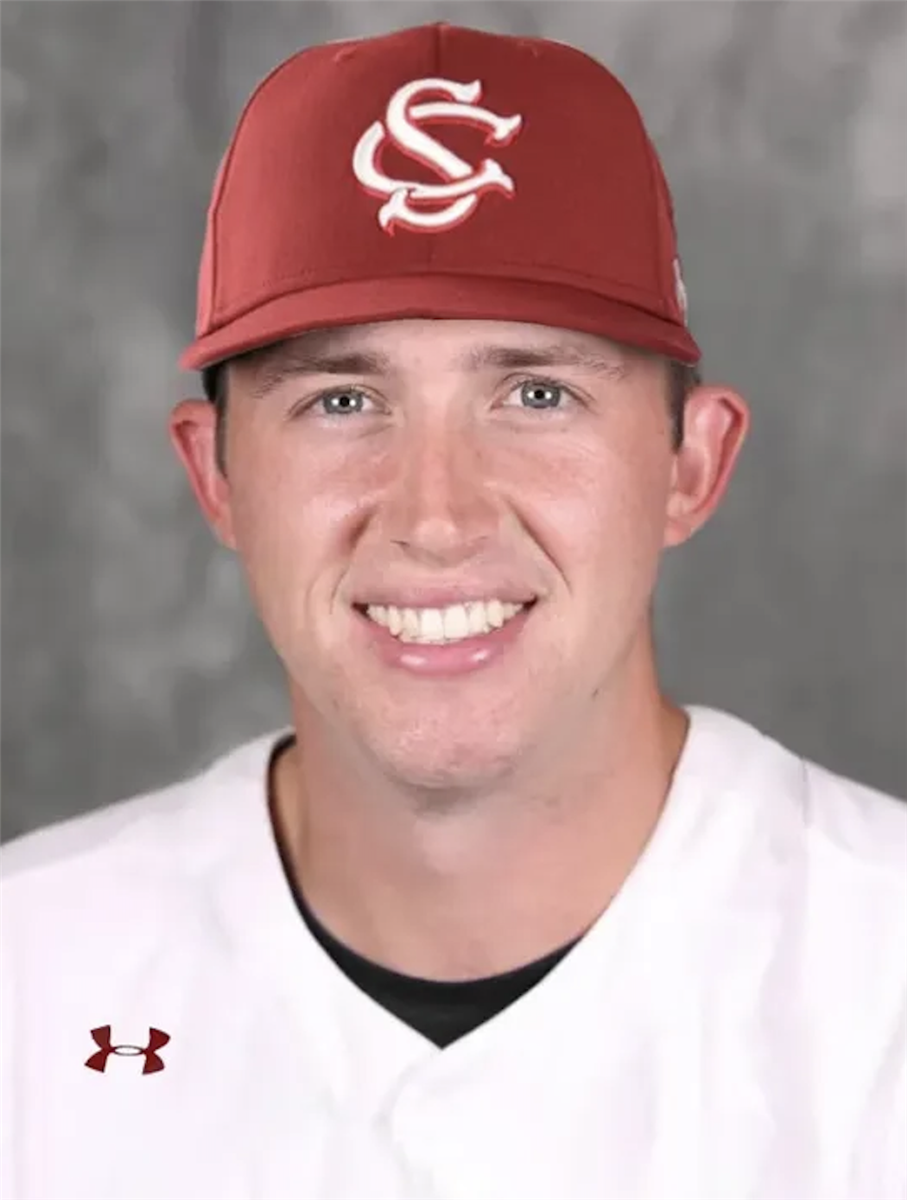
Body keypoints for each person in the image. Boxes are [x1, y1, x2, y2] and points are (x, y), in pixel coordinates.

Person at [1, 22, 904, 1200]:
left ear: (688, 462)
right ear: (215, 477)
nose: (435, 515)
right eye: (338, 400)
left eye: (537, 393)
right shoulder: (30, 976)